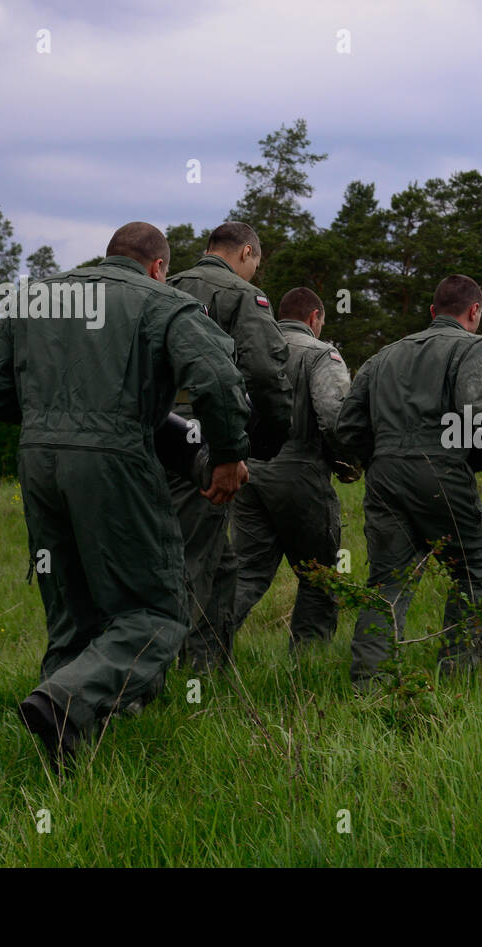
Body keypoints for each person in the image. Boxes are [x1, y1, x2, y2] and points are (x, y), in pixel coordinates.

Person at [0, 222, 251, 769]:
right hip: (115, 459)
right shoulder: (161, 301)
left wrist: (51, 421)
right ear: (158, 266)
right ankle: (65, 700)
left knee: (72, 612)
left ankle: (63, 751)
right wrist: (226, 455)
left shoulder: (38, 298)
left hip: (38, 462)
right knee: (157, 612)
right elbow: (217, 377)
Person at [335, 275, 482, 685]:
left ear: (433, 312)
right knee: (469, 572)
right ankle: (459, 676)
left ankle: (369, 682)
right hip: (440, 471)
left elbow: (346, 426)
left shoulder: (383, 356)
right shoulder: (474, 348)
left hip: (382, 474)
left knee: (386, 582)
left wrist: (380, 456)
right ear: (474, 312)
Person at [166, 222, 293, 673]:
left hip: (158, 441)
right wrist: (258, 444)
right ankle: (154, 676)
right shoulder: (240, 296)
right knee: (190, 564)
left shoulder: (164, 286)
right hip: (207, 449)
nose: (255, 272)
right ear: (245, 253)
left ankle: (208, 671)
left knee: (221, 565)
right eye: (256, 263)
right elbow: (264, 374)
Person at [233, 287, 358, 647]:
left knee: (246, 572)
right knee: (319, 574)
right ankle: (309, 661)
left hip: (246, 473)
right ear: (314, 318)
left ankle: (203, 653)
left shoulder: (248, 351)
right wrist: (350, 462)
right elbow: (335, 418)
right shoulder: (321, 355)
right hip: (299, 473)